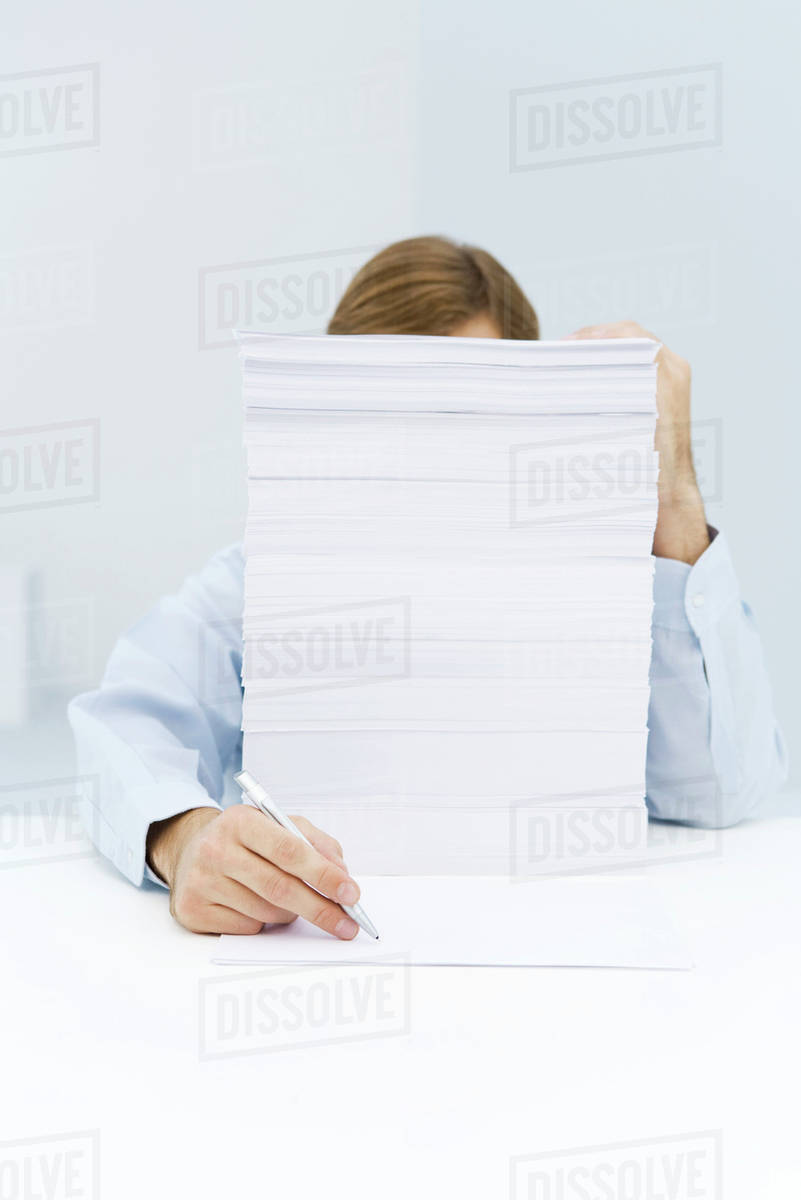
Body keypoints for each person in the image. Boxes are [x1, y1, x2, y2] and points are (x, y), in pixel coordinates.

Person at [68, 236, 787, 937]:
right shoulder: (263, 579)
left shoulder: (599, 581)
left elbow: (722, 793)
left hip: (564, 943)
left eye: (465, 414)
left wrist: (674, 496)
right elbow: (126, 724)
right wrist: (183, 837)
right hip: (326, 944)